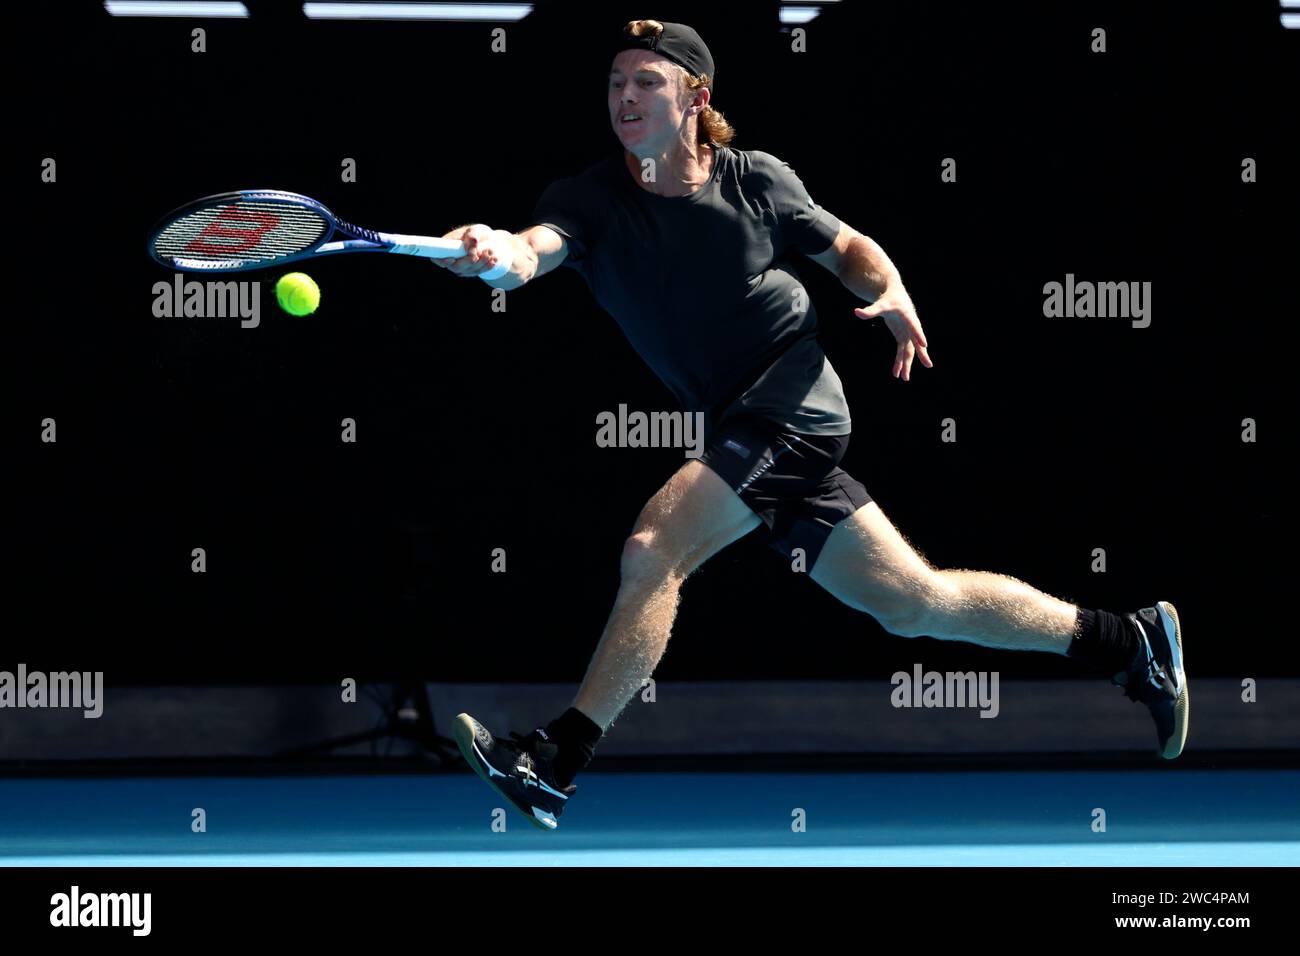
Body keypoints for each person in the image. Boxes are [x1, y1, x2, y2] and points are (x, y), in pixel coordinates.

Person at [432, 19, 1187, 831]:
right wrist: (491, 250)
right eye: (616, 82)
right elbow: (532, 250)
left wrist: (890, 288)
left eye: (647, 81)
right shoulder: (588, 200)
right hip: (739, 424)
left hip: (794, 406)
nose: (625, 95)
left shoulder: (756, 181)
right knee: (912, 602)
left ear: (696, 98)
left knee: (655, 547)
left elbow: (848, 247)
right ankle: (1125, 641)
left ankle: (556, 759)